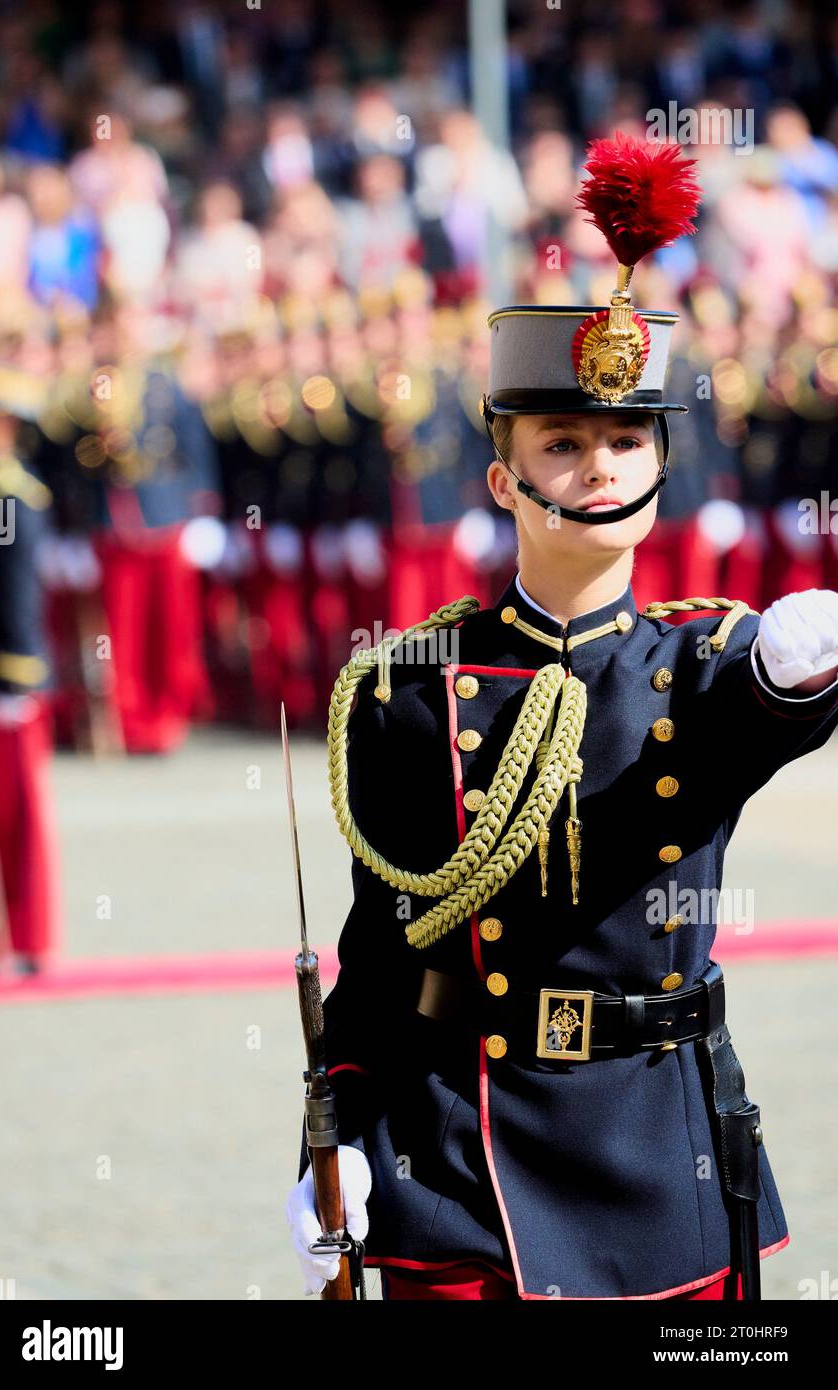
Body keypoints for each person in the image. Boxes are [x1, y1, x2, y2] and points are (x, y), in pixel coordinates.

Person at [285, 134, 838, 1301]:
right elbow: (382, 946)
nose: (597, 466)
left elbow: (753, 719)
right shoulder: (407, 686)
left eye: (625, 440)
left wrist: (797, 677)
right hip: (459, 1155)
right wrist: (331, 1124)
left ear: (658, 464)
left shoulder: (707, 657)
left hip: (655, 1145)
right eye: (563, 444)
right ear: (504, 480)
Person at [0, 364, 62, 976]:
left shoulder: (10, 496)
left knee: (22, 817)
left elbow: (16, 601)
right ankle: (11, 932)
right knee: (2, 816)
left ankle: (32, 938)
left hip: (11, 678)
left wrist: (12, 678)